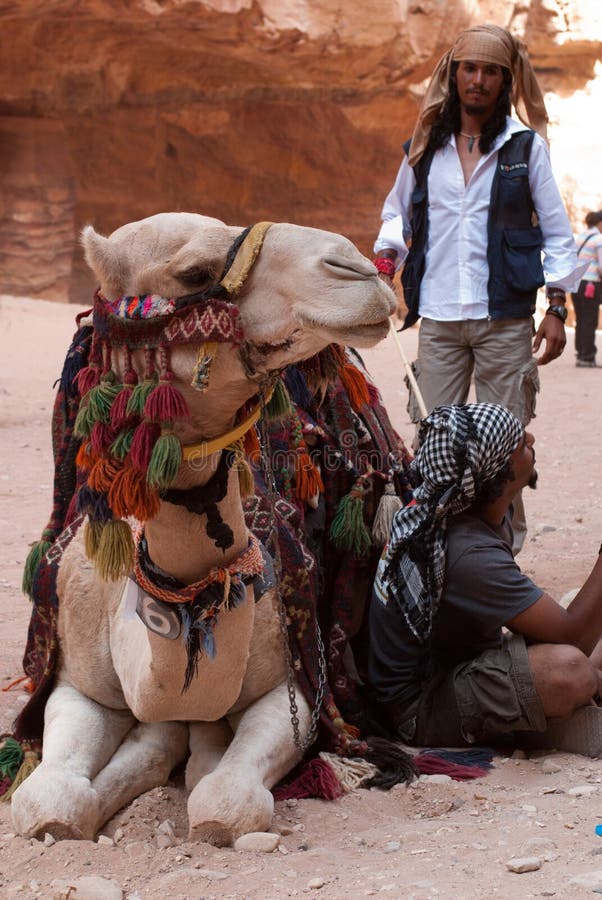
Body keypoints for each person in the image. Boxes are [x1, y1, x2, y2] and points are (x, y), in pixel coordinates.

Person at [373, 23, 584, 554]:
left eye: (492, 71)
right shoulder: (425, 147)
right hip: (440, 321)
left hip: (505, 321)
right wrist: (383, 267)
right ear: (454, 73)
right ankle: (430, 558)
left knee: (506, 450)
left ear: (505, 80)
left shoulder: (524, 148)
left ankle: (499, 564)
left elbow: (557, 233)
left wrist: (556, 306)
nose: (479, 80)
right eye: (470, 68)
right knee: (434, 447)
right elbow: (397, 215)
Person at [367, 402, 602, 749]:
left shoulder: (476, 509)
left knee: (578, 659)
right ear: (500, 471)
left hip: (462, 665)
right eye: (521, 443)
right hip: (420, 709)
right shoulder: (468, 554)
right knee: (570, 670)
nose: (532, 440)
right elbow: (573, 639)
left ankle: (569, 704)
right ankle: (559, 722)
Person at [571, 210, 602, 368]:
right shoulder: (598, 239)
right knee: (590, 319)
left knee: (581, 319)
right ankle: (587, 356)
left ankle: (581, 352)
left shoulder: (581, 236)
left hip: (577, 283)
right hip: (591, 284)